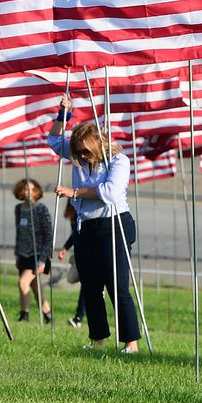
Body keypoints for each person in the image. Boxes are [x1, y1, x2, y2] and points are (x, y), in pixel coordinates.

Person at [47, 95, 141, 353]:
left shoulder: (119, 161)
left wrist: (74, 192)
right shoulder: (76, 151)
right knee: (90, 286)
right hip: (85, 226)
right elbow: (54, 141)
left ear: (98, 145)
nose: (82, 157)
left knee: (117, 285)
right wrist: (63, 115)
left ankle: (130, 342)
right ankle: (98, 338)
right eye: (78, 153)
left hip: (114, 224)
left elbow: (110, 192)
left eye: (86, 152)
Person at [12, 178, 53, 323]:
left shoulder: (41, 209)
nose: (28, 192)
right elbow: (19, 232)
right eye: (25, 189)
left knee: (23, 283)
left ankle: (24, 315)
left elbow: (49, 236)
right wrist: (17, 254)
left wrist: (42, 260)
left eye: (32, 189)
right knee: (35, 288)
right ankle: (48, 314)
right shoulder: (19, 209)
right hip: (23, 255)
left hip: (37, 256)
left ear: (36, 192)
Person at [56, 204, 85, 329]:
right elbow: (75, 234)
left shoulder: (87, 211)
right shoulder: (74, 213)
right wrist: (65, 248)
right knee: (86, 287)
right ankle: (78, 317)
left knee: (88, 287)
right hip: (81, 254)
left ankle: (79, 317)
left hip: (93, 254)